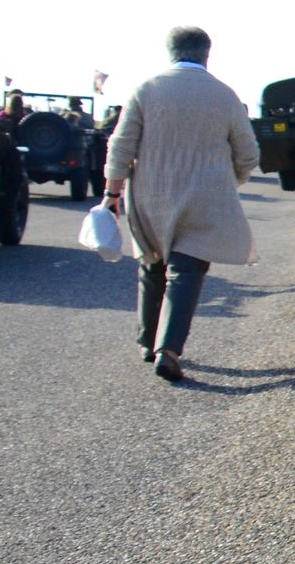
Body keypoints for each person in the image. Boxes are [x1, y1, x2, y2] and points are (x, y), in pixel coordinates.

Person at [102, 26, 258, 383]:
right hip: (205, 197)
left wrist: (112, 194)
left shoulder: (146, 90)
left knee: (151, 263)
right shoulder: (224, 95)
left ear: (170, 52)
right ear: (207, 53)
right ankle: (168, 349)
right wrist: (233, 179)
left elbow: (120, 146)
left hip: (149, 196)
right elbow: (248, 153)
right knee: (186, 270)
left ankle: (147, 341)